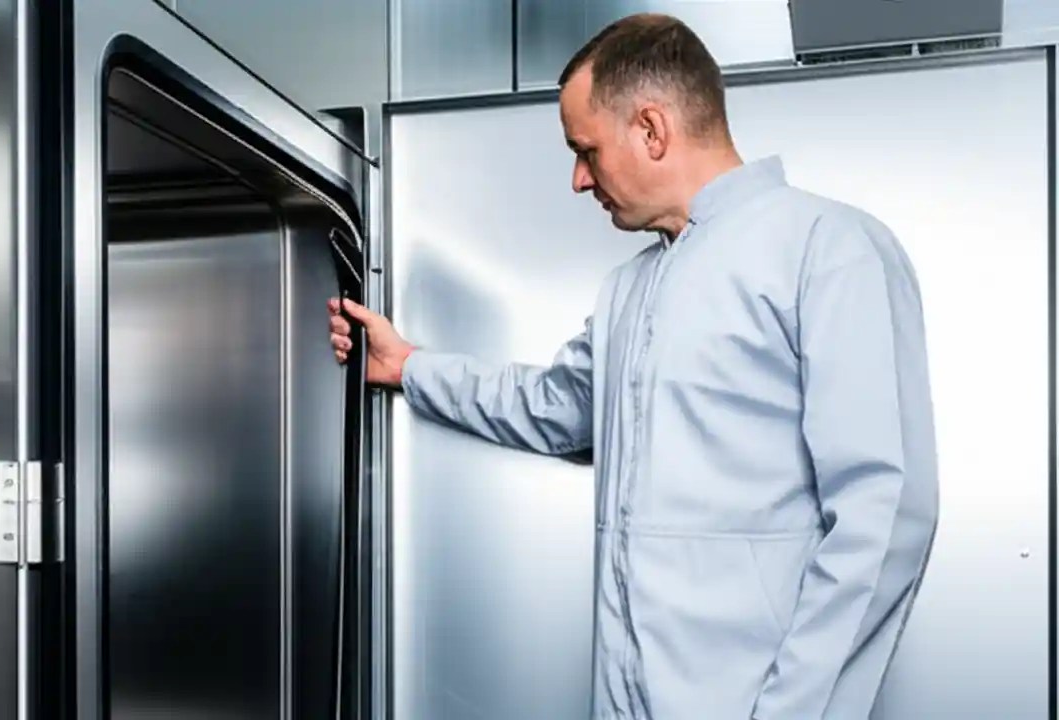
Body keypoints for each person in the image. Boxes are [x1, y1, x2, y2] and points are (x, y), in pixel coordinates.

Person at [329, 13, 938, 720]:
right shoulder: (630, 289)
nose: (578, 180)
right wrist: (409, 367)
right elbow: (559, 406)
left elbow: (885, 513)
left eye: (585, 149)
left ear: (651, 129)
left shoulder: (828, 248)